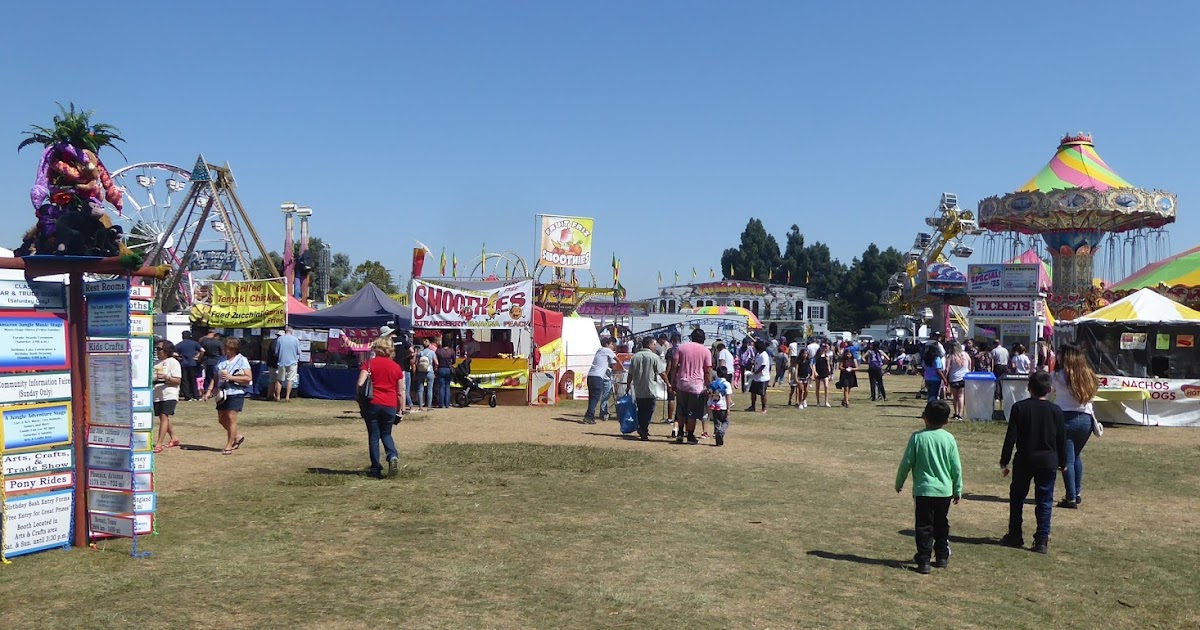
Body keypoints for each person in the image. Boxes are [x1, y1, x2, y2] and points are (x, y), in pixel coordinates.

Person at [1000, 371, 1067, 554]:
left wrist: (1004, 460)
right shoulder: (1056, 410)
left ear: (1029, 388)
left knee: (1017, 497)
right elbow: (1061, 439)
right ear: (1049, 390)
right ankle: (1042, 539)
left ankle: (1015, 533)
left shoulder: (1019, 408)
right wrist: (1063, 461)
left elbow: (1011, 436)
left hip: (1025, 458)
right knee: (1045, 500)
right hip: (1048, 460)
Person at [895, 400, 962, 574]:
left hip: (923, 491)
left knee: (924, 525)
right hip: (944, 491)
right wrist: (958, 488)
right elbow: (956, 466)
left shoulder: (918, 438)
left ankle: (924, 559)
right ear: (947, 421)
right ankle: (941, 556)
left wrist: (899, 482)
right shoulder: (949, 439)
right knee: (941, 524)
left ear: (924, 417)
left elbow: (906, 463)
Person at [1052, 343, 1099, 509]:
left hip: (1065, 418)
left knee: (1067, 459)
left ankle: (1070, 497)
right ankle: (1077, 493)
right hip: (1086, 419)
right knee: (1076, 456)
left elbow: (1048, 390)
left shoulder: (1059, 375)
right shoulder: (1088, 375)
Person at [357, 337, 404, 478]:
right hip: (390, 404)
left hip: (372, 403)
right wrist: (401, 410)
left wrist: (359, 401)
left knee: (374, 436)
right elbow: (400, 392)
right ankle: (392, 456)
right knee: (386, 433)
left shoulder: (369, 364)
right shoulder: (396, 367)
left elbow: (360, 384)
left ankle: (375, 467)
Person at [204, 337, 252, 455]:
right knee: (222, 419)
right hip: (222, 393)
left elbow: (248, 377)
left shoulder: (242, 360)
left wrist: (231, 378)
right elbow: (215, 377)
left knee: (231, 417)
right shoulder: (221, 360)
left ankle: (229, 445)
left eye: (227, 348)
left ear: (233, 349)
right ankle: (237, 436)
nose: (224, 349)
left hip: (236, 392)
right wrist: (209, 390)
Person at [668, 328, 713, 445]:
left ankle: (680, 433)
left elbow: (674, 366)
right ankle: (691, 435)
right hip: (696, 385)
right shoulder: (705, 351)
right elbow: (707, 370)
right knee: (692, 412)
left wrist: (672, 382)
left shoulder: (681, 348)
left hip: (682, 383)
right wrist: (709, 386)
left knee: (681, 410)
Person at [627, 337, 666, 441]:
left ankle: (643, 427)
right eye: (654, 344)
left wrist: (627, 386)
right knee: (649, 410)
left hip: (639, 388)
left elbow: (630, 374)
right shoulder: (654, 357)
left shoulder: (635, 357)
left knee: (641, 409)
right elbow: (662, 372)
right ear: (649, 345)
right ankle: (643, 428)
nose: (655, 346)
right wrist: (668, 383)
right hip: (650, 388)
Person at [152, 340, 182, 453]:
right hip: (157, 394)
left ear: (166, 350)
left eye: (160, 349)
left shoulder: (173, 362)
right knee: (162, 416)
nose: (157, 351)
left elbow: (177, 380)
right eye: (157, 349)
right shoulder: (156, 363)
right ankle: (174, 438)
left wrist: (166, 377)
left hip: (169, 393)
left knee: (164, 416)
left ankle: (159, 443)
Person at [583, 338, 618, 424]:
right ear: (607, 344)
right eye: (612, 344)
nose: (613, 346)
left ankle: (589, 415)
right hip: (597, 377)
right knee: (595, 398)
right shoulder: (607, 350)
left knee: (592, 398)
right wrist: (623, 368)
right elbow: (616, 360)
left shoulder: (599, 350)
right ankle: (589, 416)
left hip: (590, 376)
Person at [944, 341, 972, 420]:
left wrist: (944, 378)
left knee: (955, 397)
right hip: (964, 377)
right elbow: (970, 365)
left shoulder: (951, 356)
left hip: (954, 378)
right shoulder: (966, 354)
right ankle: (960, 414)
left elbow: (947, 368)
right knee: (961, 396)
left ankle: (956, 413)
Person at [273, 325, 302, 402]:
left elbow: (276, 352)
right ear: (291, 331)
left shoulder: (280, 339)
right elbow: (298, 352)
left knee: (279, 380)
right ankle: (287, 397)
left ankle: (278, 396)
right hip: (292, 362)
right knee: (290, 380)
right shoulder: (295, 340)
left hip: (281, 362)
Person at [174, 331, 202, 401]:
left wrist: (179, 357)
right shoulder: (194, 343)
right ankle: (196, 396)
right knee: (193, 380)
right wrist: (198, 357)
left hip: (183, 364)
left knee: (185, 380)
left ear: (182, 336)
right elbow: (203, 350)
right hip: (193, 363)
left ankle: (187, 396)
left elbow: (173, 353)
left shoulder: (179, 344)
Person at [709, 366, 733, 446]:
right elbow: (728, 396)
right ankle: (721, 432)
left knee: (716, 422)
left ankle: (717, 439)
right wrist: (728, 407)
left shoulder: (713, 383)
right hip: (722, 406)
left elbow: (710, 393)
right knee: (725, 421)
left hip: (714, 405)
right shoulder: (726, 384)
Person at [745, 339, 770, 413]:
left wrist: (756, 372)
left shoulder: (764, 354)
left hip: (763, 377)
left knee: (762, 394)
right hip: (756, 377)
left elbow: (763, 366)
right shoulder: (758, 354)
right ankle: (752, 406)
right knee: (753, 392)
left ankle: (764, 408)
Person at [922, 334, 946, 403]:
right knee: (935, 395)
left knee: (930, 394)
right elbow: (938, 370)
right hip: (936, 379)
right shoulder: (936, 359)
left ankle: (930, 405)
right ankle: (933, 407)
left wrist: (924, 376)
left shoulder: (925, 359)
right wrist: (944, 379)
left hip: (928, 378)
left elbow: (923, 368)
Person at [199, 329, 225, 394]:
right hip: (216, 360)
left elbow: (202, 351)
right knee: (216, 377)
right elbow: (223, 352)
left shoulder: (205, 342)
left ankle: (207, 390)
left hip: (207, 361)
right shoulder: (219, 342)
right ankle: (215, 390)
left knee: (208, 376)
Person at [434, 338, 456, 409]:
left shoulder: (439, 351)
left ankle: (441, 404)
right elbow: (454, 361)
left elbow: (436, 361)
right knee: (447, 386)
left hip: (441, 368)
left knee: (441, 387)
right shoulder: (451, 351)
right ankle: (447, 403)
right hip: (448, 369)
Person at [415, 338, 436, 411]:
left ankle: (420, 406)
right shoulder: (432, 352)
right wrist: (435, 369)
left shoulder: (420, 353)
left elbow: (416, 363)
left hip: (421, 371)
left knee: (420, 389)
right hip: (429, 370)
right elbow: (436, 363)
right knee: (430, 389)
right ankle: (429, 406)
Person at [813, 341, 832, 407]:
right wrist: (815, 372)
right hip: (818, 371)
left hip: (825, 372)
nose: (824, 348)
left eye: (825, 347)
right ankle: (818, 401)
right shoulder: (817, 356)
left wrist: (829, 373)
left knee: (826, 386)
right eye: (823, 347)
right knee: (817, 387)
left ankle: (826, 402)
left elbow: (828, 365)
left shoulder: (827, 356)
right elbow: (814, 364)